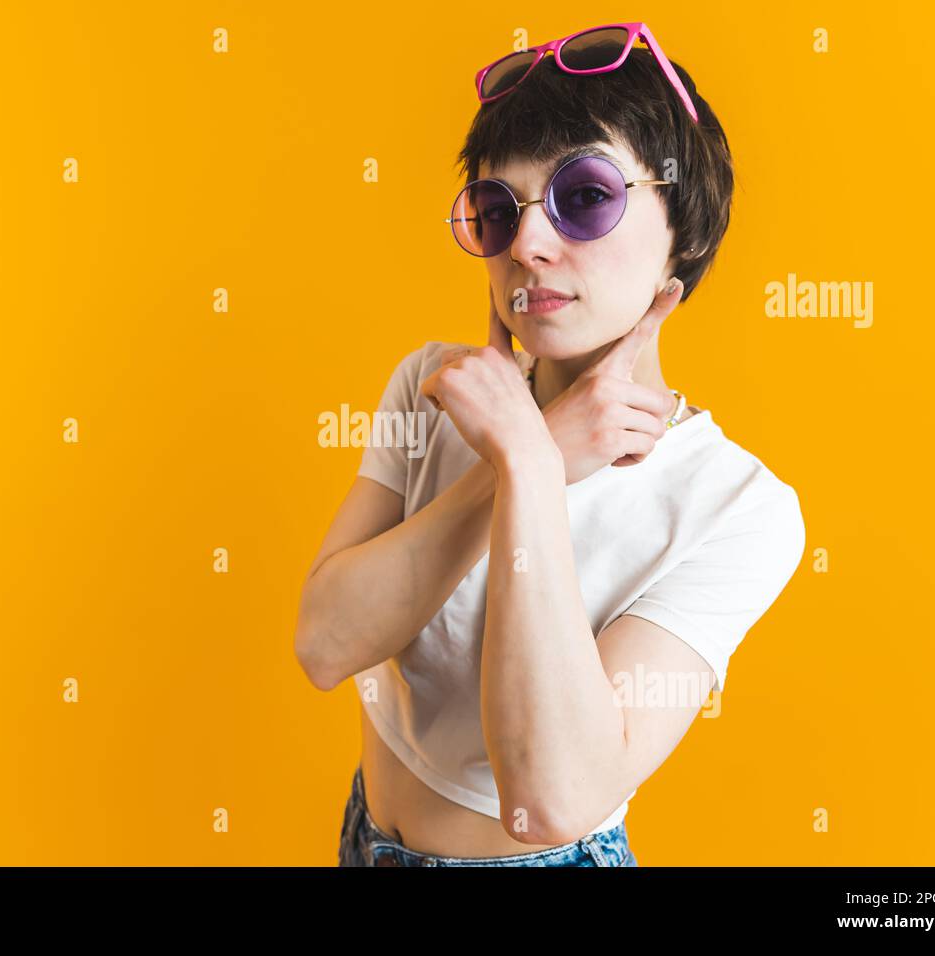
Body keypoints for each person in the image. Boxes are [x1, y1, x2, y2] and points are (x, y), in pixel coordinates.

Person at [294, 23, 806, 867]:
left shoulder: (738, 507)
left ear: (688, 230)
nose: (527, 246)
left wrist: (532, 466)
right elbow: (323, 646)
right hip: (364, 837)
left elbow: (552, 799)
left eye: (586, 196)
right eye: (500, 211)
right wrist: (512, 460)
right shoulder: (435, 388)